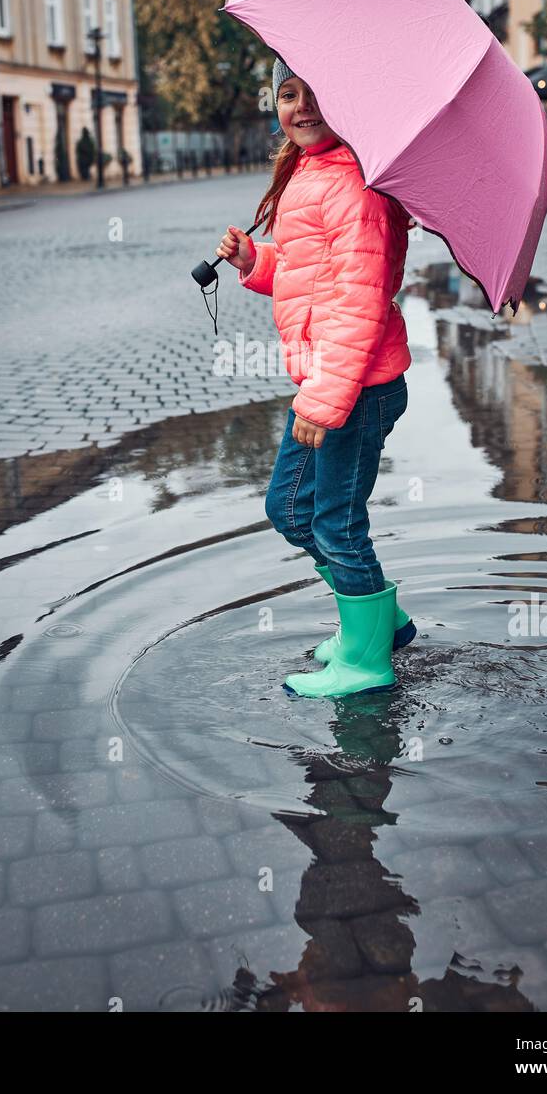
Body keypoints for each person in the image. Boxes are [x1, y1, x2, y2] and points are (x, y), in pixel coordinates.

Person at [215, 58, 415, 699]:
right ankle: (383, 625)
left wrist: (325, 399)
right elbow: (313, 276)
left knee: (331, 521)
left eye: (315, 94)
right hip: (336, 382)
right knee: (289, 508)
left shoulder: (354, 184)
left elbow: (357, 304)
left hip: (355, 385)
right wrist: (256, 260)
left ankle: (365, 661)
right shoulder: (312, 170)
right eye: (287, 93)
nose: (300, 107)